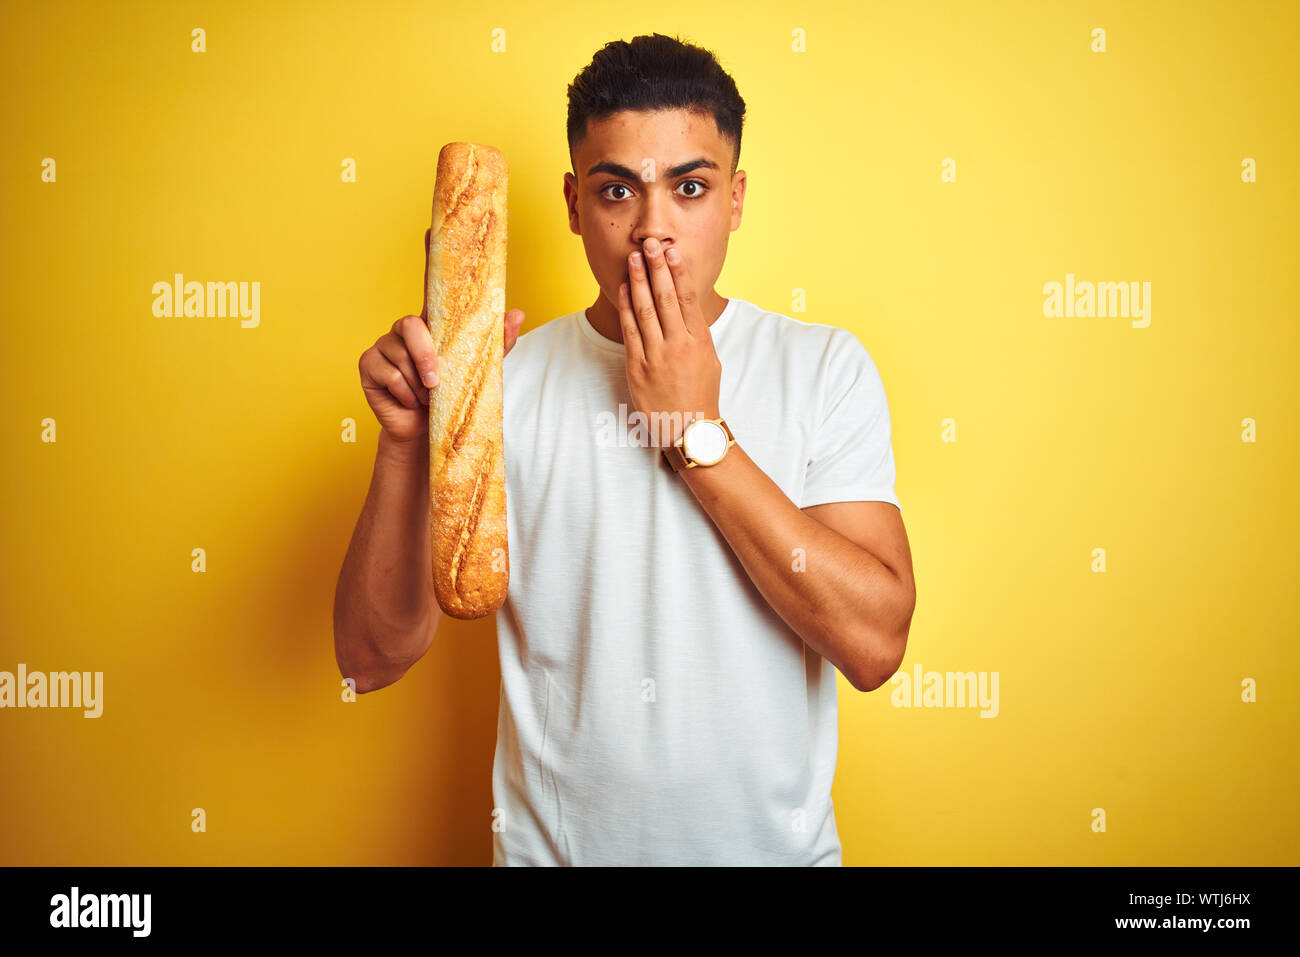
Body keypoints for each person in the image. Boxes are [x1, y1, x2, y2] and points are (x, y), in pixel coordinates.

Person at [334, 32, 916, 866]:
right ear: (573, 205)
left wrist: (695, 434)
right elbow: (368, 658)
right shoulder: (496, 386)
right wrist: (404, 450)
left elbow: (874, 645)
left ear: (736, 197)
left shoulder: (823, 367)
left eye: (689, 187)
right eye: (618, 191)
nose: (653, 232)